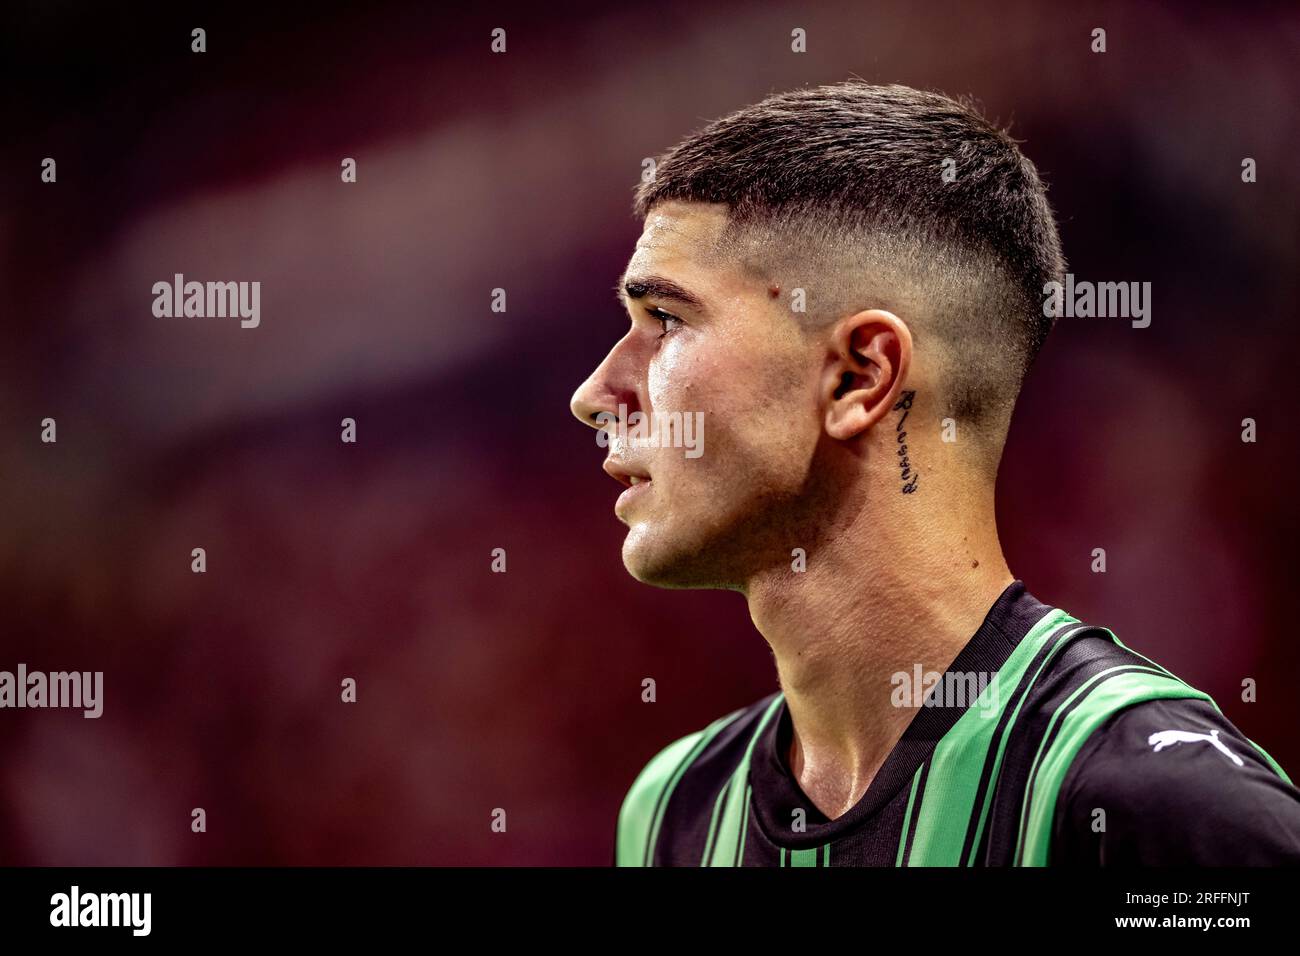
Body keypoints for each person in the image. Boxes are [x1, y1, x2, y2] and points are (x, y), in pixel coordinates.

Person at [568, 81, 1300, 865]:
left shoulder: (1164, 810)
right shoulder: (673, 809)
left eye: (667, 319)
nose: (592, 397)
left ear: (859, 376)